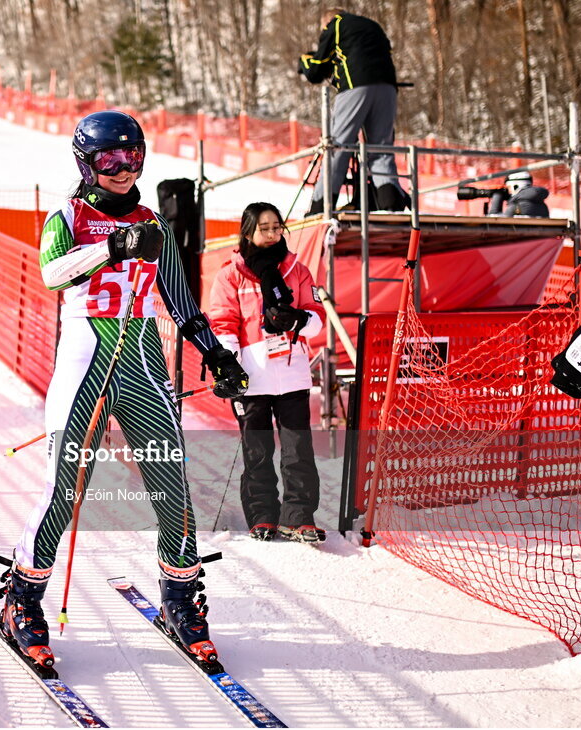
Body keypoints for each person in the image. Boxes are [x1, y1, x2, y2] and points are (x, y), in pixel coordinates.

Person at [1, 110, 248, 669]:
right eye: (109, 159)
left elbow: (181, 302)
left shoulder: (152, 223)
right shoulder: (65, 215)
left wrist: (216, 354)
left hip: (140, 365)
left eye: (132, 156)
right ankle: (24, 598)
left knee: (173, 489)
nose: (122, 168)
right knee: (65, 488)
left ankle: (181, 602)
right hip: (86, 362)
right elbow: (52, 274)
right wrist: (112, 249)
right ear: (86, 163)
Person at [208, 202, 326, 544]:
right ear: (248, 231)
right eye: (265, 228)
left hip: (292, 374)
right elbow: (222, 323)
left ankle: (299, 516)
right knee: (257, 451)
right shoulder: (230, 274)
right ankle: (262, 516)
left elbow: (316, 318)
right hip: (251, 377)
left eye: (278, 227)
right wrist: (229, 364)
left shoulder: (298, 270)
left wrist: (297, 321)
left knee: (297, 450)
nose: (274, 234)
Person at [299, 8, 408, 215]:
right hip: (387, 87)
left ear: (326, 22)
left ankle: (320, 207)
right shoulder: (373, 26)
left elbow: (316, 70)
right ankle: (390, 205)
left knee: (339, 147)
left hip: (355, 86)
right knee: (381, 149)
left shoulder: (336, 24)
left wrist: (304, 61)